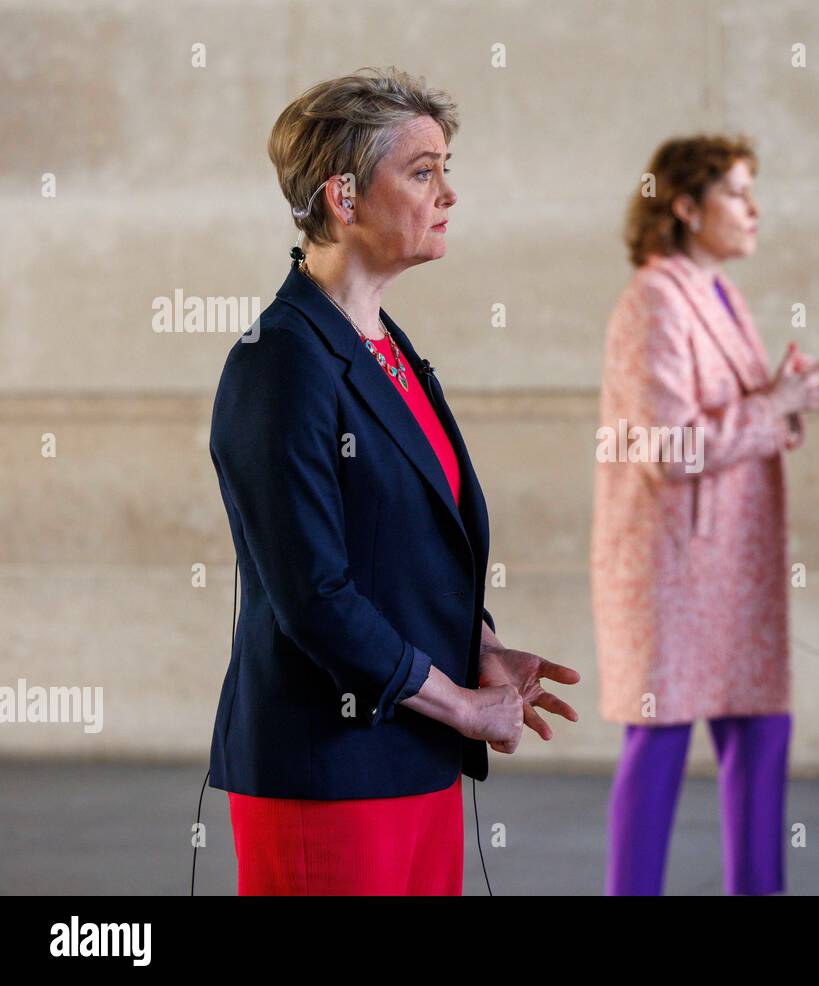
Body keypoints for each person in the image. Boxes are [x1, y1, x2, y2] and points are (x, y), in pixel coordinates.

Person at [207, 67, 578, 896]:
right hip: (328, 770)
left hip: (415, 757)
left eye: (446, 169)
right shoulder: (281, 362)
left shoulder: (387, 346)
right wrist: (463, 706)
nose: (448, 193)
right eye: (422, 171)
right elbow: (316, 596)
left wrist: (480, 647)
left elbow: (405, 545)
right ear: (342, 196)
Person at [591, 134, 819, 895]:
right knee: (659, 743)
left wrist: (784, 400)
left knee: (763, 732)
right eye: (737, 194)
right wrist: (773, 405)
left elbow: (732, 419)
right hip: (674, 573)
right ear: (684, 206)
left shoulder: (720, 294)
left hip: (732, 568)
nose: (754, 209)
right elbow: (669, 447)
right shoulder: (653, 299)